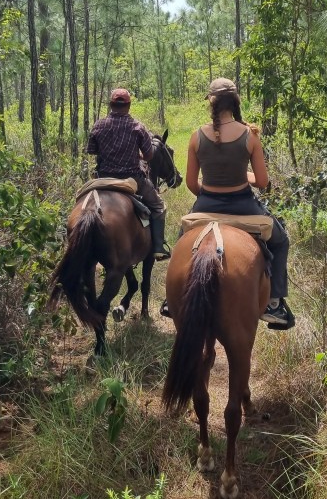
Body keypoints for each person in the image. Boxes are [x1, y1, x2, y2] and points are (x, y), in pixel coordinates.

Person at [167, 77, 294, 329]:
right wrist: (240, 178)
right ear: (235, 101)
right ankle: (274, 303)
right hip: (243, 205)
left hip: (206, 204)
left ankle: (170, 300)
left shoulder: (196, 137)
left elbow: (192, 184)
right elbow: (261, 181)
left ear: (211, 102)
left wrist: (211, 189)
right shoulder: (249, 135)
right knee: (281, 241)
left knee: (182, 240)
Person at [86, 88, 170, 260]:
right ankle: (158, 247)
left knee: (81, 199)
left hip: (103, 178)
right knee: (158, 206)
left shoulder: (99, 125)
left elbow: (92, 150)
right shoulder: (137, 127)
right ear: (129, 106)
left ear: (110, 104)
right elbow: (148, 155)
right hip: (132, 178)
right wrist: (137, 155)